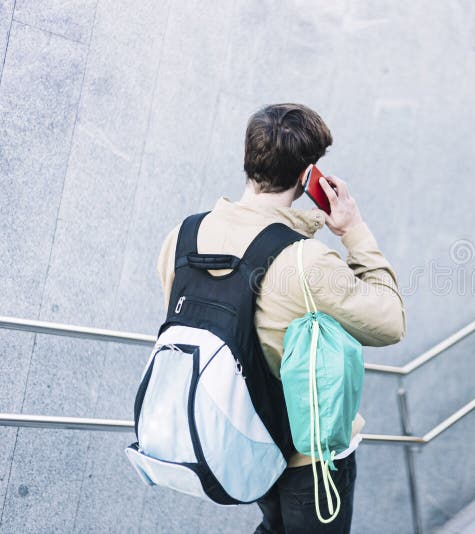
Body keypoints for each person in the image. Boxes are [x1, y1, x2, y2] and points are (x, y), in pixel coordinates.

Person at [156, 103, 407, 533]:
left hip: (243, 435)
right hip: (307, 459)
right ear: (307, 173)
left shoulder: (183, 236)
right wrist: (354, 230)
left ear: (248, 157)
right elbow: (390, 321)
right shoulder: (306, 261)